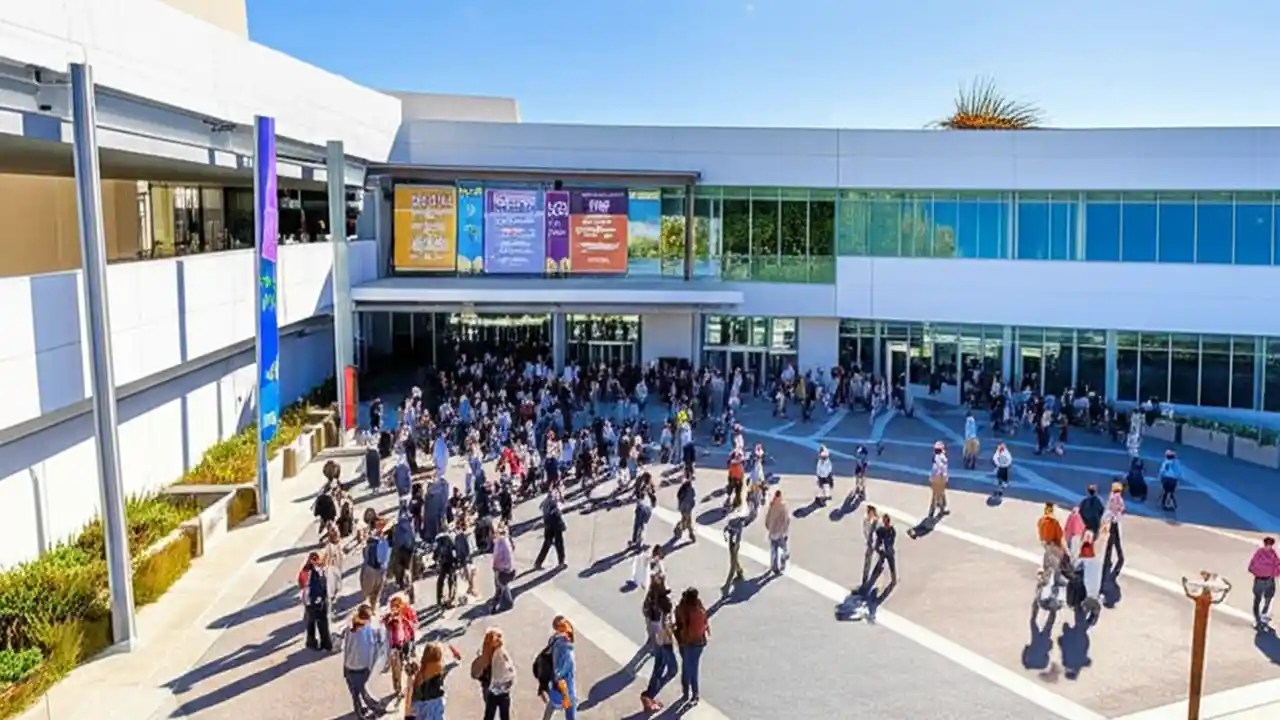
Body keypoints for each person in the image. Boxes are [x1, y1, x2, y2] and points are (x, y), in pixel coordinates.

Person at [640, 577, 678, 711]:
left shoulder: (651, 599)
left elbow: (645, 612)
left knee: (659, 667)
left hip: (656, 637)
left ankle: (649, 696)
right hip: (665, 641)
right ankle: (650, 695)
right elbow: (668, 625)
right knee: (673, 670)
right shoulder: (665, 605)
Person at [342, 604, 386, 720]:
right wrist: (371, 668)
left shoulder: (350, 628)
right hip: (361, 668)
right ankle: (375, 709)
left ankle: (360, 712)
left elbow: (347, 648)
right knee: (363, 691)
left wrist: (345, 666)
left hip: (349, 666)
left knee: (355, 693)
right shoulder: (368, 631)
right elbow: (371, 651)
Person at [405, 642, 463, 720]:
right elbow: (454, 664)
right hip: (436, 708)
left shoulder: (420, 674)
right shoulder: (440, 670)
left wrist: (408, 714)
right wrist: (456, 656)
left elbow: (411, 694)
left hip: (422, 711)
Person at [674, 588, 710, 708]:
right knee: (693, 668)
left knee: (687, 668)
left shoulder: (682, 609)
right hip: (699, 642)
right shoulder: (699, 606)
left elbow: (678, 624)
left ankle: (687, 694)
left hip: (686, 643)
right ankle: (694, 694)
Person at [471, 628, 516, 720]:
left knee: (489, 715)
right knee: (504, 715)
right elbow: (510, 672)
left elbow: (474, 674)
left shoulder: (486, 657)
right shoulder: (500, 655)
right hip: (503, 690)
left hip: (489, 691)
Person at [540, 616, 578, 719]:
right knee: (570, 710)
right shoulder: (565, 650)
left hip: (557, 686)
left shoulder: (554, 640)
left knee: (552, 705)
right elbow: (561, 671)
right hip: (565, 687)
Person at [384, 592, 418, 699]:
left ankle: (411, 685)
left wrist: (406, 621)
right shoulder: (389, 618)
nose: (395, 608)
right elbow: (383, 626)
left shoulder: (408, 613)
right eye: (393, 606)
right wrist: (390, 620)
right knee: (396, 670)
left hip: (406, 644)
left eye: (398, 605)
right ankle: (398, 689)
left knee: (408, 665)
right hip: (395, 648)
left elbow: (415, 624)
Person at [297, 551, 333, 651]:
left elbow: (301, 584)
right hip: (316, 601)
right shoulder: (317, 571)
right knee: (322, 623)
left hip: (311, 601)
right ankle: (325, 643)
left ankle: (312, 642)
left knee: (311, 622)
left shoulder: (306, 570)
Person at [1249, 537, 1280, 631]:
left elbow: (1252, 566)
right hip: (1264, 579)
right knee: (1260, 599)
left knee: (1266, 598)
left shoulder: (1263, 553)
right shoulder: (1267, 554)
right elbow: (1277, 565)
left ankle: (1261, 616)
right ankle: (1259, 617)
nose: (1269, 547)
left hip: (1264, 579)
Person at [359, 520, 390, 609]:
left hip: (371, 570)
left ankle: (370, 607)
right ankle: (372, 607)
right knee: (376, 592)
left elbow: (365, 555)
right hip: (380, 570)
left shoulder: (372, 542)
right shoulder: (384, 542)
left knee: (369, 591)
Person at [534, 491, 568, 570]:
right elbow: (558, 513)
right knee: (559, 544)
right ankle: (561, 563)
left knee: (547, 544)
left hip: (548, 525)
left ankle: (538, 563)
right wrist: (563, 525)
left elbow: (541, 508)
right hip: (556, 526)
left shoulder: (545, 502)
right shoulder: (554, 503)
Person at [490, 521, 516, 613]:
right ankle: (501, 602)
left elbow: (497, 557)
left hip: (503, 569)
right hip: (510, 568)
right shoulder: (506, 540)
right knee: (502, 586)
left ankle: (505, 603)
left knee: (501, 585)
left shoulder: (500, 543)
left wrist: (495, 567)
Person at [764, 491, 791, 575]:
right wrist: (785, 531)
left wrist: (768, 526)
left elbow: (768, 518)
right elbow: (786, 520)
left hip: (773, 532)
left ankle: (774, 566)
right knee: (784, 548)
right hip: (781, 533)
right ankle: (783, 562)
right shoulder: (783, 506)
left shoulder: (772, 505)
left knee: (774, 550)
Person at [1103, 482, 1126, 573]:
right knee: (1114, 540)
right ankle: (1118, 557)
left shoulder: (1111, 497)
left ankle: (1109, 558)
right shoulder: (1118, 498)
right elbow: (1122, 508)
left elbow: (1108, 508)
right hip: (1115, 521)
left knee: (1112, 540)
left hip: (1111, 520)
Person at [722, 513, 747, 592]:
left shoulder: (738, 524)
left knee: (732, 565)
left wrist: (736, 545)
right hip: (733, 544)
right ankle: (739, 571)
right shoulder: (735, 522)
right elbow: (727, 528)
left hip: (734, 544)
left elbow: (737, 537)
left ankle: (727, 586)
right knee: (733, 560)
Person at [928, 441, 950, 517]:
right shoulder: (942, 458)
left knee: (935, 495)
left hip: (934, 479)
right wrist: (945, 479)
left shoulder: (935, 458)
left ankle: (933, 510)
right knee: (940, 494)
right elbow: (943, 470)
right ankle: (940, 509)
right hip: (940, 479)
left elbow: (934, 470)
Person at [674, 473, 697, 543]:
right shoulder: (688, 490)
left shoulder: (684, 489)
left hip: (685, 508)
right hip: (686, 508)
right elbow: (692, 496)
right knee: (688, 522)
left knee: (685, 520)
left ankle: (679, 529)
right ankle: (691, 535)